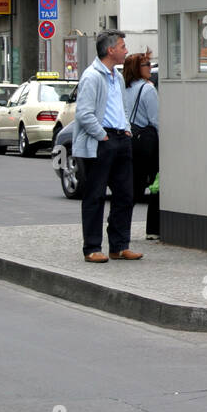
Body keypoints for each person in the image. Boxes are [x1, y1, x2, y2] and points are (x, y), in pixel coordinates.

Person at [74, 30, 141, 262]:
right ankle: (92, 248)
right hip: (101, 142)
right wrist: (102, 136)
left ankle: (119, 246)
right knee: (95, 196)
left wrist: (127, 129)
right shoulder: (92, 76)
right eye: (123, 46)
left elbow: (122, 106)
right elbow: (83, 113)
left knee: (125, 195)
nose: (126, 50)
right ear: (110, 50)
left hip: (121, 138)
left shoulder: (118, 76)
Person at [123, 51, 160, 241]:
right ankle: (153, 229)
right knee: (156, 184)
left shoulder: (125, 88)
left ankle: (119, 225)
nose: (151, 68)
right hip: (147, 143)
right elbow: (155, 120)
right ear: (138, 69)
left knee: (133, 187)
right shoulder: (147, 90)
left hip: (130, 140)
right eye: (147, 65)